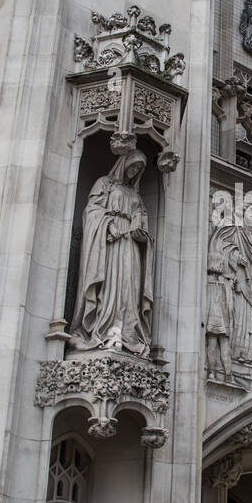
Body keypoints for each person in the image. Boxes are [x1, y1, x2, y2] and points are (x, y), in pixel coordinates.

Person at [70, 141, 153, 356]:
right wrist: (108, 225)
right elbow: (91, 211)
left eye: (138, 169)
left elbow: (142, 219)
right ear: (124, 163)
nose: (134, 171)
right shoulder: (104, 184)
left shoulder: (137, 196)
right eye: (132, 166)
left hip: (130, 245)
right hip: (109, 242)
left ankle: (125, 332)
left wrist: (141, 234)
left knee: (128, 286)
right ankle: (102, 327)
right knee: (109, 283)